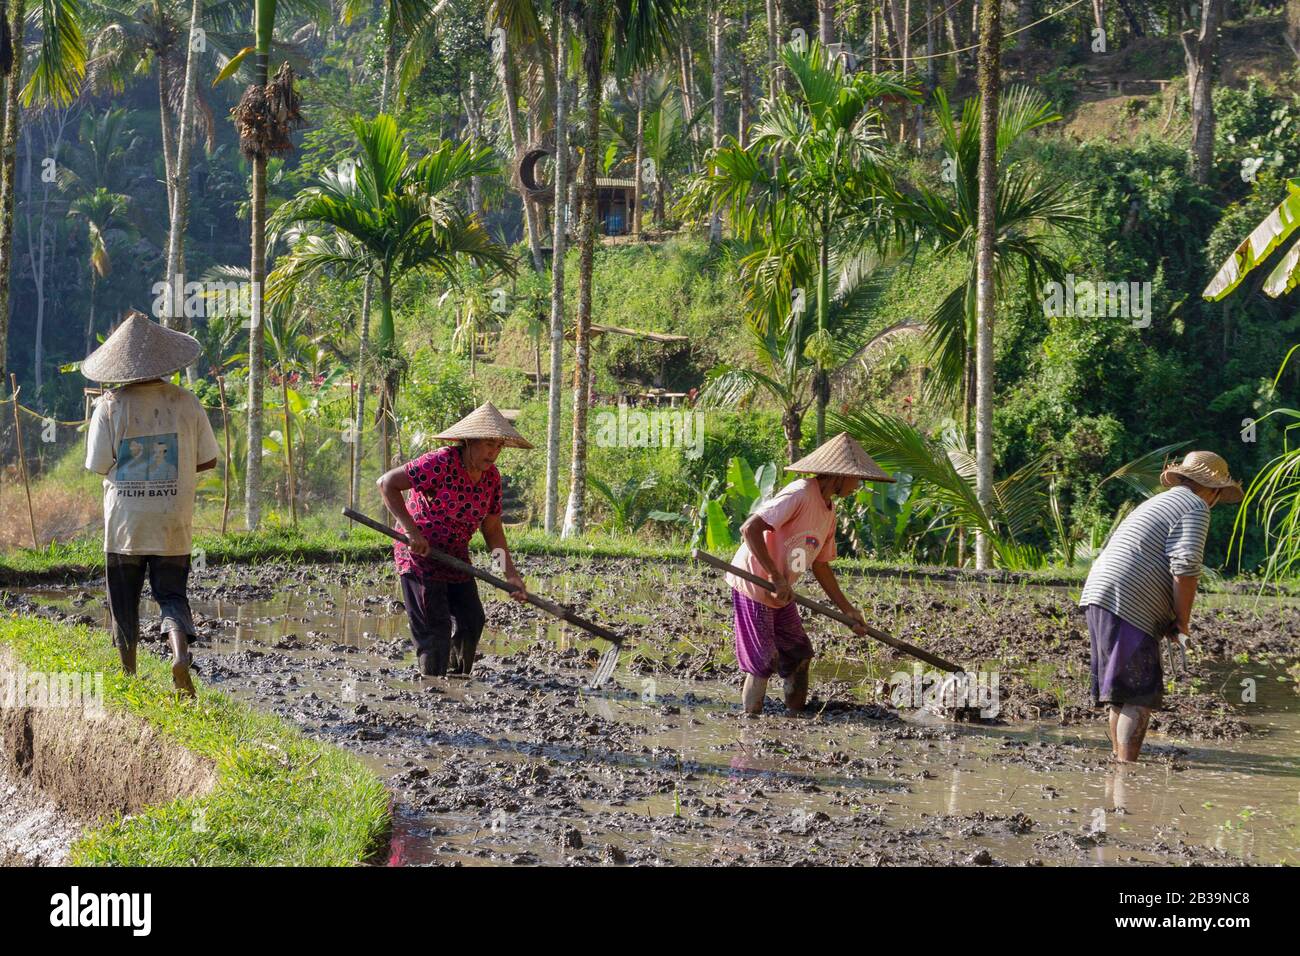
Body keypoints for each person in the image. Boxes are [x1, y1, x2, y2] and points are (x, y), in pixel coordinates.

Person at [83, 310, 219, 697]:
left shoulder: (109, 406)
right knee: (172, 595)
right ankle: (179, 655)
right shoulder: (186, 401)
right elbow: (207, 458)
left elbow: (99, 465)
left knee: (123, 597)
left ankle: (128, 674)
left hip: (126, 522)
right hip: (172, 520)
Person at [1079, 450, 1241, 762]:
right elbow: (1185, 565)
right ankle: (1126, 772)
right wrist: (1182, 621)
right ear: (1213, 489)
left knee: (1120, 693)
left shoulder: (1159, 501)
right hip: (1128, 599)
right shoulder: (1195, 506)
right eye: (1219, 494)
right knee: (1139, 695)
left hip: (1100, 593)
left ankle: (1119, 766)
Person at [725, 432, 892, 715]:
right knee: (763, 661)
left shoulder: (828, 512)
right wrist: (776, 577)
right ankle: (749, 725)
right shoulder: (800, 493)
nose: (858, 486)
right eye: (856, 479)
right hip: (754, 581)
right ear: (838, 476)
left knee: (799, 654)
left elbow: (820, 564)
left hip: (781, 591)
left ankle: (795, 717)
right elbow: (750, 529)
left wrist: (848, 610)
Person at [378, 402, 530, 677]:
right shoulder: (440, 462)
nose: (493, 453)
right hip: (420, 555)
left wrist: (510, 574)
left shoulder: (491, 478)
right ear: (469, 442)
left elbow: (493, 530)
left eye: (498, 446)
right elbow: (386, 483)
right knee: (434, 629)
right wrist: (412, 532)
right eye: (487, 445)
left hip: (455, 556)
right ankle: (433, 685)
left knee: (471, 620)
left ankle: (457, 679)